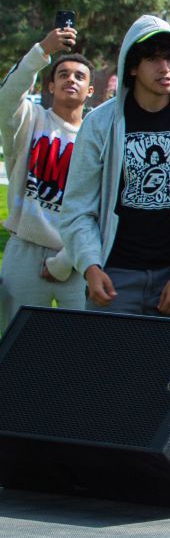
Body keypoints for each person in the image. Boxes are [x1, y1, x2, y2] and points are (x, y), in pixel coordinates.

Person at [59, 17, 170, 322]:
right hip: (114, 278)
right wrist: (91, 267)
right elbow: (78, 206)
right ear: (132, 67)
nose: (165, 68)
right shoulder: (99, 123)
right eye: (153, 59)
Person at [0, 23, 93, 329]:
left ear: (90, 91)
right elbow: (6, 98)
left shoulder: (97, 136)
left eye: (79, 76)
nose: (71, 79)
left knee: (79, 343)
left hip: (78, 256)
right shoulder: (30, 120)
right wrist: (43, 51)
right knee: (16, 340)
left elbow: (101, 205)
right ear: (50, 87)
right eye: (63, 74)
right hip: (24, 250)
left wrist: (66, 260)